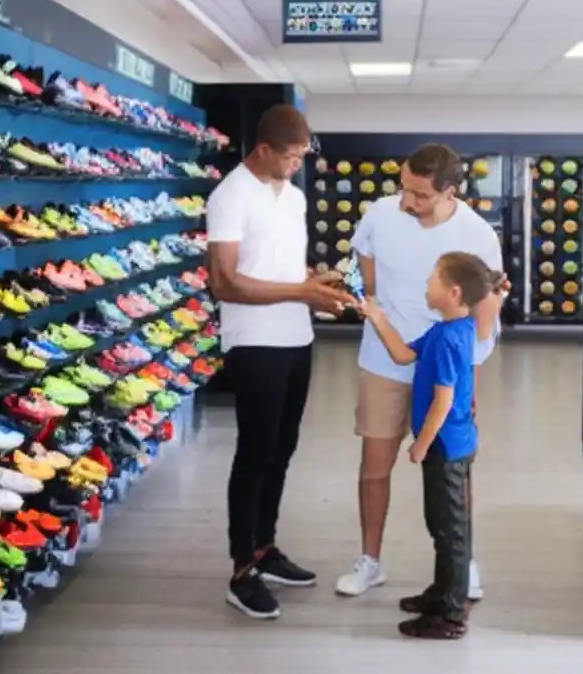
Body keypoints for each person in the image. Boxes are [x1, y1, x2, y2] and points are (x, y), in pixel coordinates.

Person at [206, 104, 356, 620]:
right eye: (290, 156)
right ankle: (241, 568)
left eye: (302, 156)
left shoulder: (292, 197)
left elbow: (284, 266)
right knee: (254, 453)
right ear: (264, 148)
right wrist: (301, 290)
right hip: (253, 342)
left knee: (282, 449)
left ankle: (265, 548)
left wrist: (318, 284)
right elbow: (223, 281)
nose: (297, 164)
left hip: (297, 335)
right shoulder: (229, 195)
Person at [335, 143, 505, 598]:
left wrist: (471, 376)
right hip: (384, 359)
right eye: (403, 188)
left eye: (421, 195)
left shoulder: (478, 234)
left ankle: (461, 562)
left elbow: (485, 312)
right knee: (374, 466)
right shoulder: (379, 215)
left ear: (450, 192)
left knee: (454, 470)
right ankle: (370, 560)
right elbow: (367, 281)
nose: (407, 201)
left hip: (448, 365)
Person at [357, 252, 496, 639]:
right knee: (440, 523)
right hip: (447, 446)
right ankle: (442, 592)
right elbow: (402, 354)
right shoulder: (443, 330)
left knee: (450, 530)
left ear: (452, 292)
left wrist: (420, 444)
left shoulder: (451, 338)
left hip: (446, 448)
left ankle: (452, 613)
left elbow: (444, 401)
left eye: (433, 279)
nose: (426, 284)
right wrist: (377, 317)